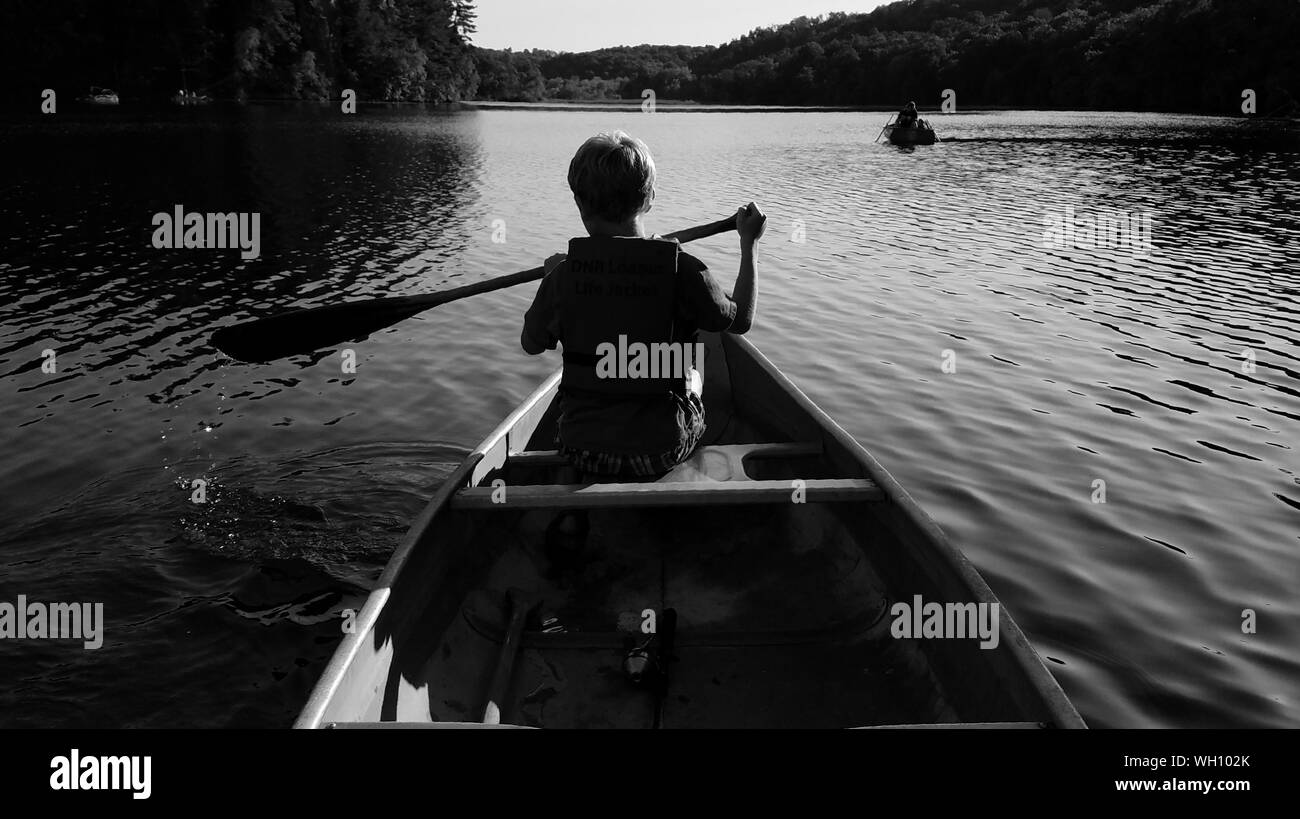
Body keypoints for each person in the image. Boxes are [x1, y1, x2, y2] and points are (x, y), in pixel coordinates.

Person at [521, 131, 766, 483]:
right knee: (695, 372)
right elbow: (739, 320)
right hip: (660, 451)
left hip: (581, 450)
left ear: (578, 201)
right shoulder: (683, 268)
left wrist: (553, 277)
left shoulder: (563, 277)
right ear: (649, 198)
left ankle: (576, 495)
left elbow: (530, 345)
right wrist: (749, 243)